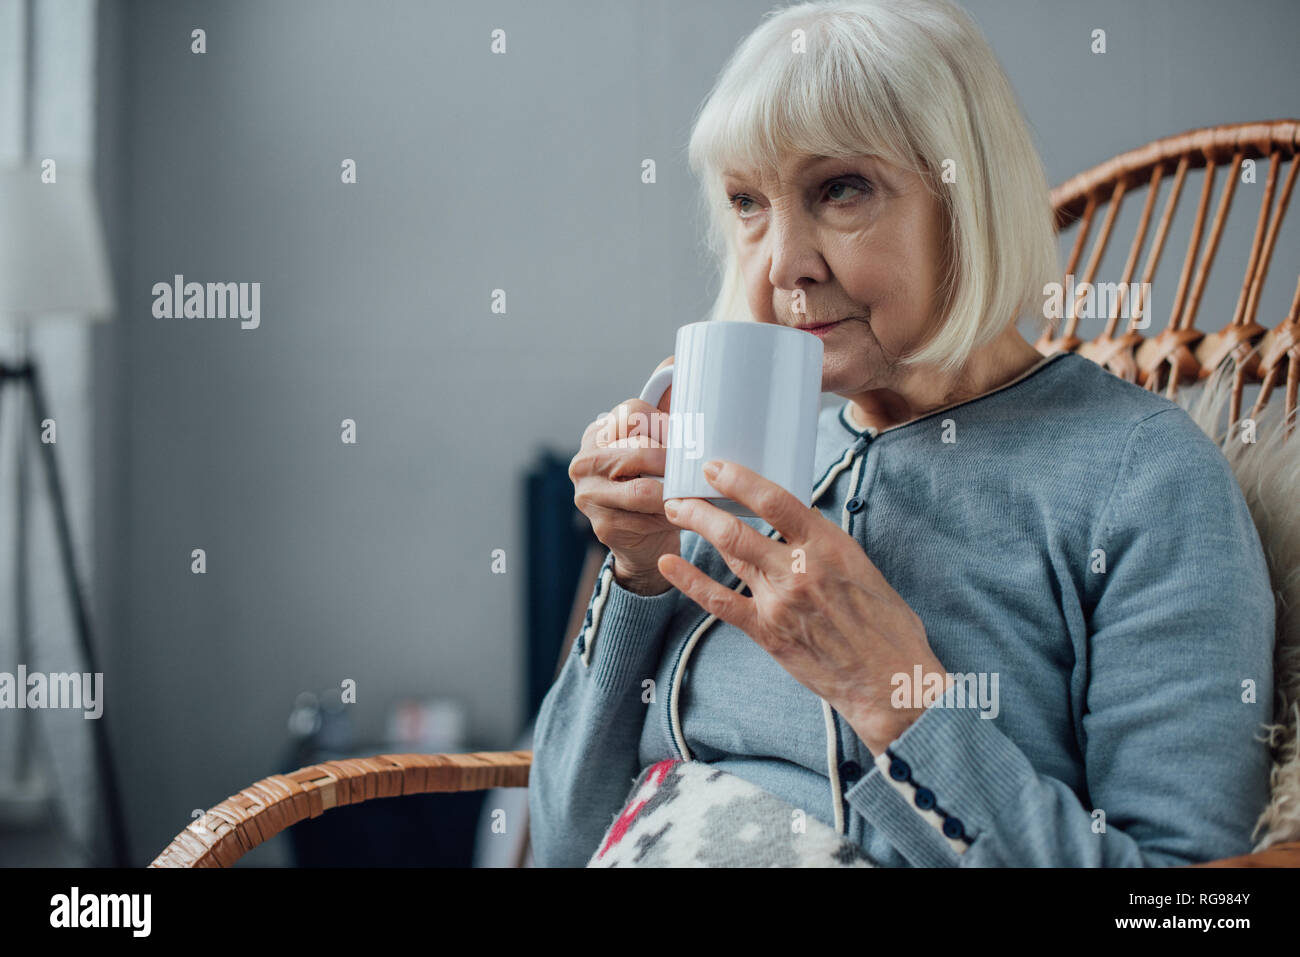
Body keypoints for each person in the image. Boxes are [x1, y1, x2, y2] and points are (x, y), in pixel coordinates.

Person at [528, 0, 1275, 867]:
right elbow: (564, 837)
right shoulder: (759, 461)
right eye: (747, 202)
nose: (781, 265)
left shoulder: (1142, 480)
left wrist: (894, 697)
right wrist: (635, 577)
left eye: (840, 189)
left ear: (970, 201)